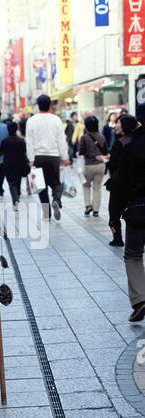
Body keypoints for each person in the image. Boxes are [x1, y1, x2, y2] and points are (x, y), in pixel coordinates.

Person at [118, 104, 145, 323]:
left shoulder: (132, 147)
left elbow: (123, 184)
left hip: (138, 209)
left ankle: (140, 299)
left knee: (134, 255)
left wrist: (115, 214)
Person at [26, 95, 70, 221]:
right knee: (56, 182)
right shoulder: (56, 120)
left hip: (38, 157)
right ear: (50, 105)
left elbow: (29, 142)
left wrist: (31, 159)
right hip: (53, 156)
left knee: (41, 185)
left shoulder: (31, 121)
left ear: (37, 105)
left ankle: (47, 213)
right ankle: (56, 200)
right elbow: (61, 140)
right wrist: (65, 157)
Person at [106, 114, 138, 247]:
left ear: (124, 125)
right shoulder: (137, 140)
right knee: (134, 213)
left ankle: (117, 238)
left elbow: (112, 165)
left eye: (118, 122)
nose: (116, 125)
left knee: (114, 215)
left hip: (119, 185)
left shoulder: (120, 143)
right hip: (136, 185)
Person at [80, 116, 108, 217]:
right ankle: (96, 210)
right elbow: (105, 150)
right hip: (101, 165)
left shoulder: (84, 137)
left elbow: (81, 152)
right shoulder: (102, 136)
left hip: (89, 165)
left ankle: (88, 205)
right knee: (97, 187)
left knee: (86, 185)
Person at [0, 121, 29, 211]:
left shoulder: (5, 141)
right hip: (20, 164)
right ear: (16, 129)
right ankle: (17, 197)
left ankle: (15, 199)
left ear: (8, 129)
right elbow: (25, 153)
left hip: (8, 165)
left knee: (11, 183)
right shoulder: (21, 141)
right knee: (18, 182)